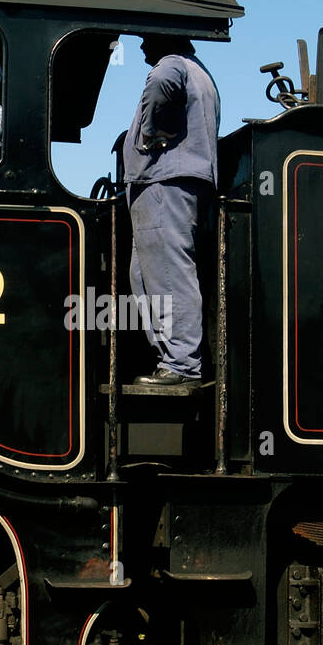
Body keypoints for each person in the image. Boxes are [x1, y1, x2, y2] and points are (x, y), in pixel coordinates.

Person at [123, 34, 220, 386]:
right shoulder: (198, 71)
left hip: (165, 182)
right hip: (168, 183)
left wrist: (149, 131)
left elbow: (161, 82)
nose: (142, 46)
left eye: (148, 37)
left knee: (167, 272)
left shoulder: (172, 65)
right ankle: (172, 358)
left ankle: (180, 365)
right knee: (147, 275)